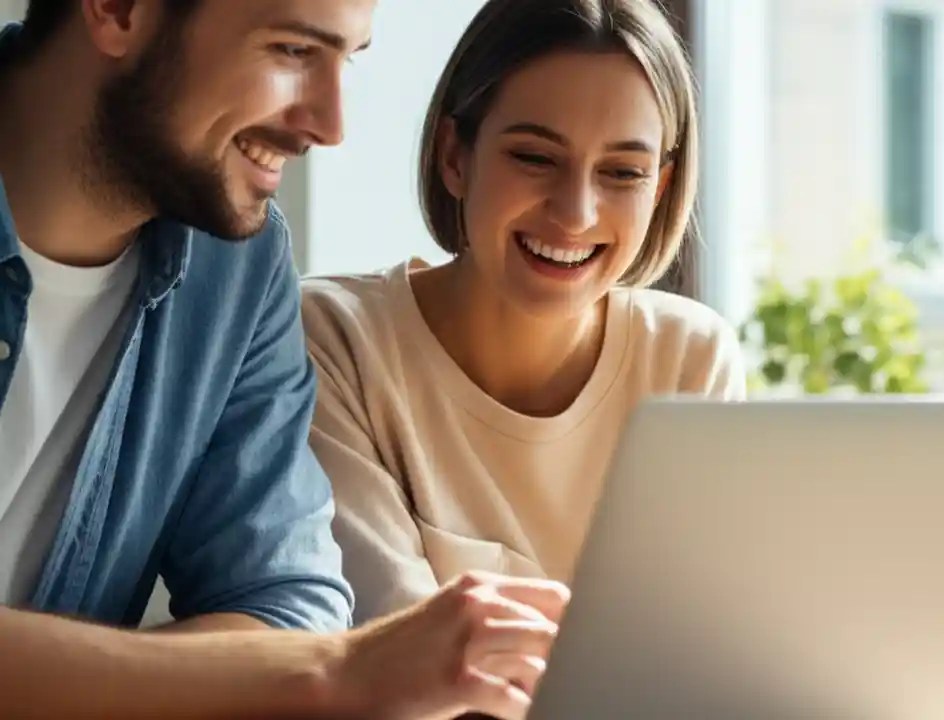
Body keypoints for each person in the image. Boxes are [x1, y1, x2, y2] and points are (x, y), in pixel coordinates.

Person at [0, 1, 566, 718]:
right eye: (294, 51)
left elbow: (284, 602)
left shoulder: (237, 266)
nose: (331, 126)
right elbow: (305, 660)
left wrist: (318, 666)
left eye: (348, 60)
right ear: (117, 9)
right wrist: (328, 674)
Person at [303, 0, 746, 624]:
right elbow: (401, 652)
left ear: (661, 188)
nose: (575, 214)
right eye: (535, 158)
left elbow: (699, 637)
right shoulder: (333, 338)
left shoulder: (689, 358)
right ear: (455, 156)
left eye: (622, 172)